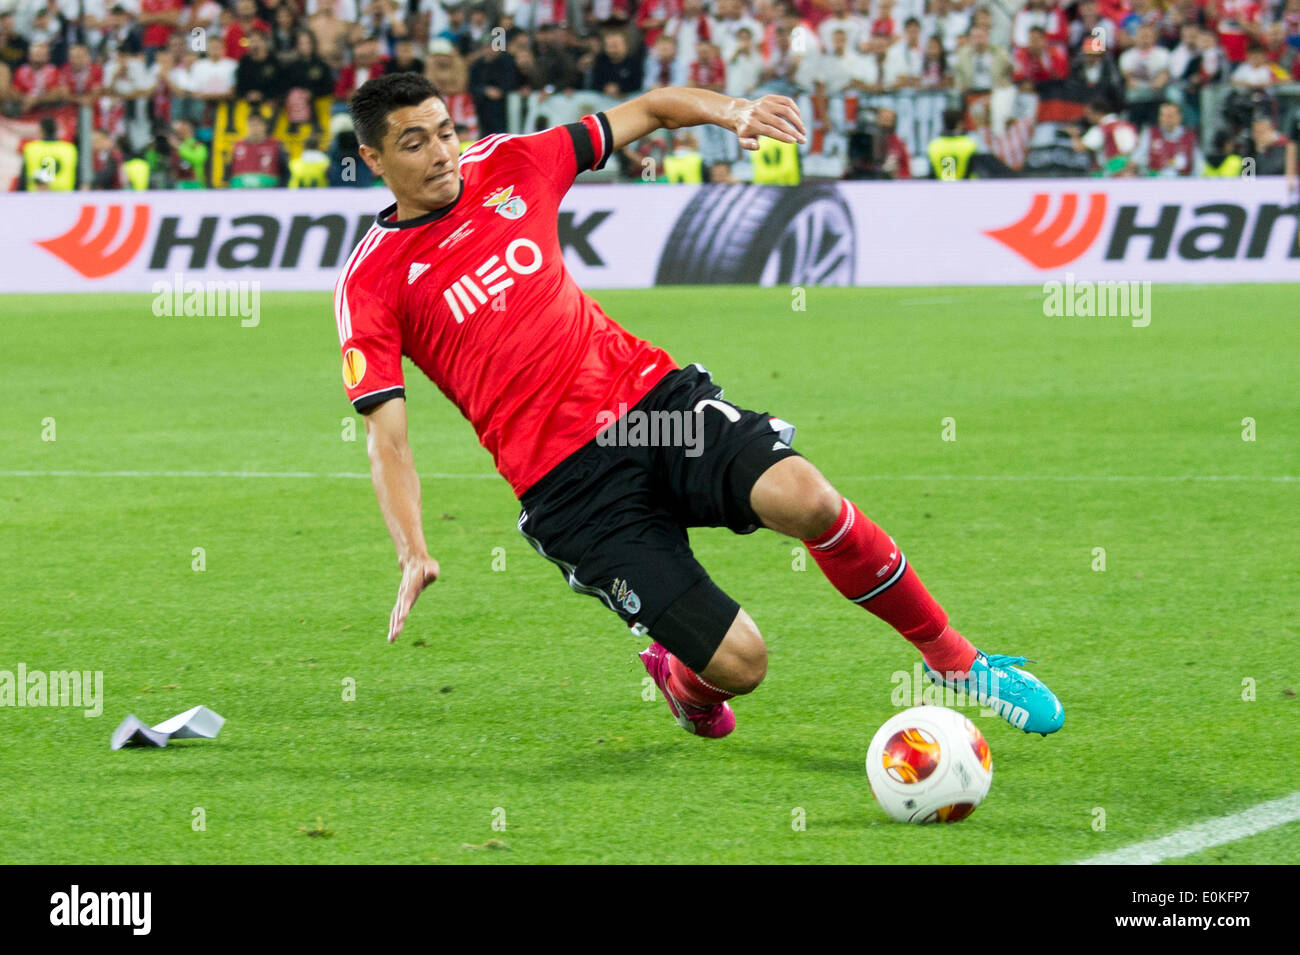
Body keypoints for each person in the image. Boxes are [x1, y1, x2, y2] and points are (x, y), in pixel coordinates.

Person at [333, 73, 1065, 740]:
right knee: (744, 661)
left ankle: (959, 661)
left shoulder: (513, 163)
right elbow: (387, 439)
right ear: (373, 160)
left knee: (805, 496)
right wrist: (414, 548)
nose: (440, 152)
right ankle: (686, 684)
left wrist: (735, 111)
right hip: (570, 488)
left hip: (650, 401)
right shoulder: (372, 279)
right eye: (413, 141)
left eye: (445, 130)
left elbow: (651, 110)